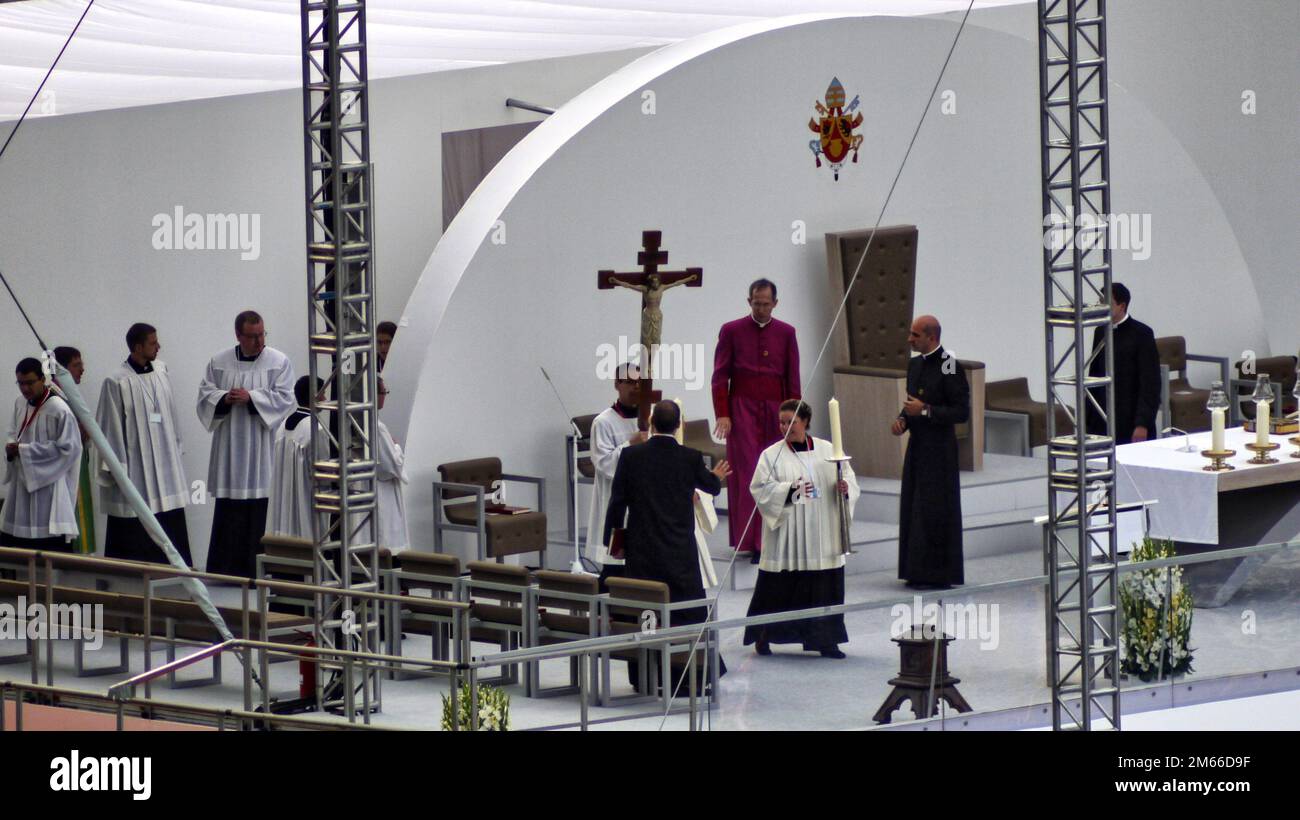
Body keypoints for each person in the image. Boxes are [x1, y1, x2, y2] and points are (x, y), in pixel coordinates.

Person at [745, 399, 859, 658]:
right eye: (781, 422)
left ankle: (826, 641)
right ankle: (765, 635)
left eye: (791, 422)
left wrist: (845, 488)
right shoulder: (771, 455)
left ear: (805, 422)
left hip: (822, 533)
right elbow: (759, 489)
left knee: (823, 589)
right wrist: (790, 491)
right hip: (789, 536)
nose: (785, 427)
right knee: (778, 589)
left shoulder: (828, 449)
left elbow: (849, 478)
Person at [603, 400, 730, 622]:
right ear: (678, 424)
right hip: (679, 547)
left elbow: (617, 502)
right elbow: (711, 487)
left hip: (641, 545)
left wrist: (613, 543)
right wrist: (716, 477)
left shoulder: (631, 456)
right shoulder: (690, 457)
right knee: (683, 606)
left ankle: (644, 641)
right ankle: (684, 641)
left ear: (651, 423)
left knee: (643, 604)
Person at [197, 310, 295, 576]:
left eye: (262, 334)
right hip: (230, 447)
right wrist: (224, 398)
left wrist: (252, 398)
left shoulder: (278, 361)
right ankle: (226, 568)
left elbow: (286, 398)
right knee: (230, 507)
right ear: (238, 335)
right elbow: (204, 396)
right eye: (252, 336)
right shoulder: (219, 362)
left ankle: (258, 568)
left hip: (262, 447)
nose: (259, 341)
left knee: (260, 506)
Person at [711, 278, 801, 562]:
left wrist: (795, 416)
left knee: (775, 470)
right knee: (748, 471)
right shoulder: (731, 330)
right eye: (756, 303)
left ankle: (773, 537)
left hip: (776, 411)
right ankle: (751, 540)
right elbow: (720, 377)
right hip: (742, 410)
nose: (761, 309)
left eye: (766, 304)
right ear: (749, 302)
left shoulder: (787, 332)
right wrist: (723, 413)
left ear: (775, 303)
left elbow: (793, 378)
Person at [95, 324, 192, 565]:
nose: (159, 346)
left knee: (169, 519)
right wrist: (118, 470)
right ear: (138, 347)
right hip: (136, 469)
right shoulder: (116, 381)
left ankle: (176, 573)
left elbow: (171, 412)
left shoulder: (161, 370)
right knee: (136, 521)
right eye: (153, 343)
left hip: (166, 466)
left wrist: (175, 445)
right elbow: (110, 428)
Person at [891, 315, 968, 589]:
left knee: (934, 510)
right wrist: (902, 420)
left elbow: (961, 412)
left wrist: (925, 411)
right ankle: (915, 570)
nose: (909, 339)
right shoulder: (914, 365)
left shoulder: (949, 365)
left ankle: (936, 574)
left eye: (915, 335)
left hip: (940, 450)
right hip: (918, 446)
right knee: (914, 507)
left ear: (931, 337)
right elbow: (911, 404)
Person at [1, 358, 83, 550]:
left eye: (30, 383)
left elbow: (69, 449)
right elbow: (12, 433)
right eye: (21, 383)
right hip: (21, 487)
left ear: (42, 379)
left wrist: (25, 451)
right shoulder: (20, 403)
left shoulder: (59, 408)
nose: (25, 388)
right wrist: (10, 449)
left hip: (49, 488)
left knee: (48, 549)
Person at [583, 362, 646, 586]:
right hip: (616, 498)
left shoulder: (650, 419)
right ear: (617, 384)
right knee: (615, 568)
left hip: (644, 499)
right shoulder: (603, 422)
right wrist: (631, 444)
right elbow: (603, 464)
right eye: (629, 382)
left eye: (638, 382)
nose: (635, 387)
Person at [1086, 282, 1161, 445]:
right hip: (1102, 417)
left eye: (1107, 302)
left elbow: (1150, 383)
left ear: (1122, 306)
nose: (1102, 307)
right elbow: (1094, 376)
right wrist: (1087, 419)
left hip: (1130, 417)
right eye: (1100, 302)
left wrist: (1142, 423)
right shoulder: (1100, 332)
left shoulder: (1142, 334)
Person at [266, 375, 325, 540]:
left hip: (282, 497)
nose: (325, 399)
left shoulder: (283, 425)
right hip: (306, 496)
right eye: (323, 393)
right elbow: (322, 471)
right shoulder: (316, 428)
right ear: (314, 395)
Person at [52, 346, 95, 554]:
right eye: (77, 365)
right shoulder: (53, 398)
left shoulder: (70, 395)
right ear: (62, 369)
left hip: (78, 464)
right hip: (64, 470)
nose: (82, 369)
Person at [375, 376, 409, 553]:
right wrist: (396, 446)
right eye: (383, 392)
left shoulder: (358, 420)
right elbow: (390, 467)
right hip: (382, 491)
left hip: (367, 488)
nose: (385, 396)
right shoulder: (377, 427)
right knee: (386, 538)